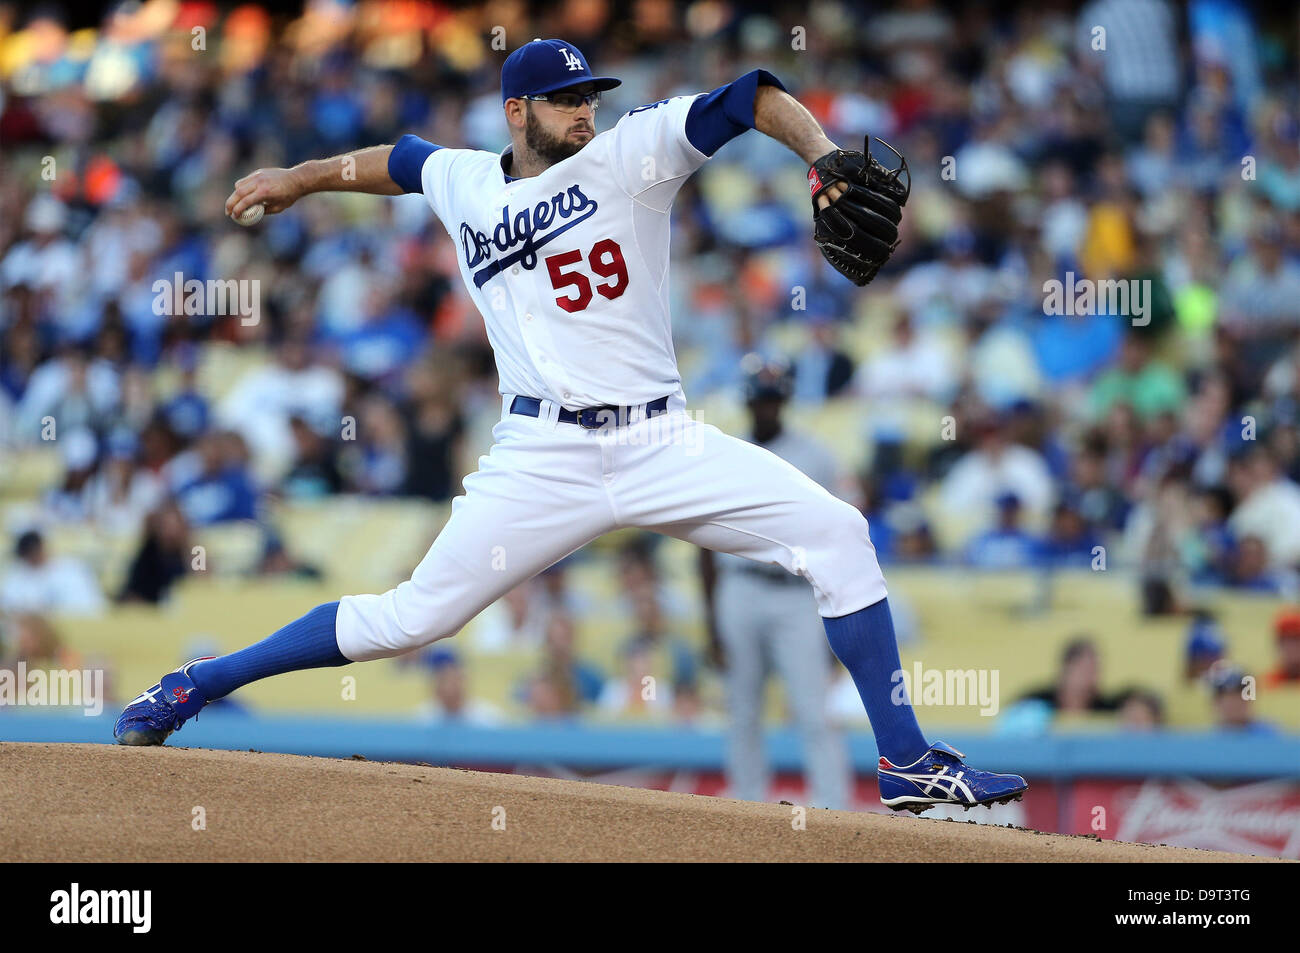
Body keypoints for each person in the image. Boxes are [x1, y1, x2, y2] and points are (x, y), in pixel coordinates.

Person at [114, 38, 1025, 814]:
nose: (584, 113)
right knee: (408, 618)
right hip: (540, 454)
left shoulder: (632, 156)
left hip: (661, 440)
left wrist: (821, 156)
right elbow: (397, 160)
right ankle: (197, 681)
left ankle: (906, 761)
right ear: (518, 112)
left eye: (589, 97)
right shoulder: (465, 180)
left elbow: (750, 94)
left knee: (838, 534)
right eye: (564, 102)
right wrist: (299, 179)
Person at [698, 357, 851, 809]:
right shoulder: (723, 453)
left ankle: (834, 810)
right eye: (759, 396)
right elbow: (703, 541)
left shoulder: (816, 455)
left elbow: (836, 540)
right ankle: (747, 807)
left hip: (797, 594)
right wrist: (710, 619)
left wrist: (835, 616)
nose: (766, 405)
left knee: (814, 712)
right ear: (748, 399)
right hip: (739, 586)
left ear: (784, 398)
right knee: (742, 711)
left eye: (772, 396)